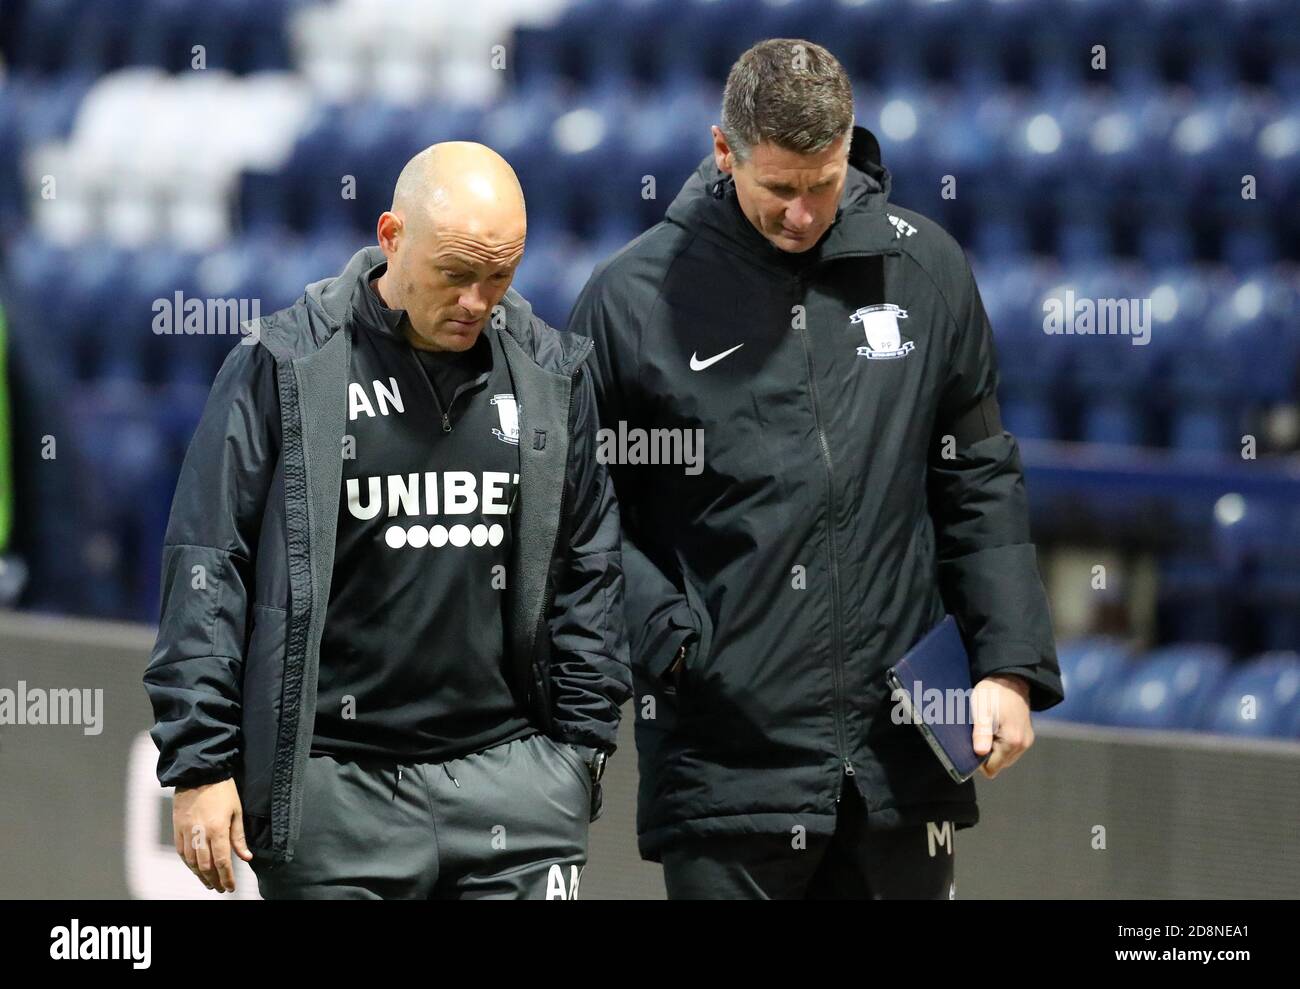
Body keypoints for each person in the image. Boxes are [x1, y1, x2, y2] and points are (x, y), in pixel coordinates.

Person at [568, 39, 1063, 899]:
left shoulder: (926, 270)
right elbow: (578, 512)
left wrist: (1007, 666)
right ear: (725, 153)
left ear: (850, 147)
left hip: (904, 753)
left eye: (823, 184)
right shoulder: (631, 300)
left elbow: (977, 475)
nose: (803, 213)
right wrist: (673, 643)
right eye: (780, 190)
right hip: (727, 764)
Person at [144, 142, 631, 899]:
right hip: (337, 793)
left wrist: (578, 756)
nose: (477, 300)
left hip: (516, 791)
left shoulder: (550, 375)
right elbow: (209, 563)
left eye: (498, 275)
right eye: (455, 274)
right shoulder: (285, 363)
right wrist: (201, 763)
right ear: (392, 236)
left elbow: (590, 568)